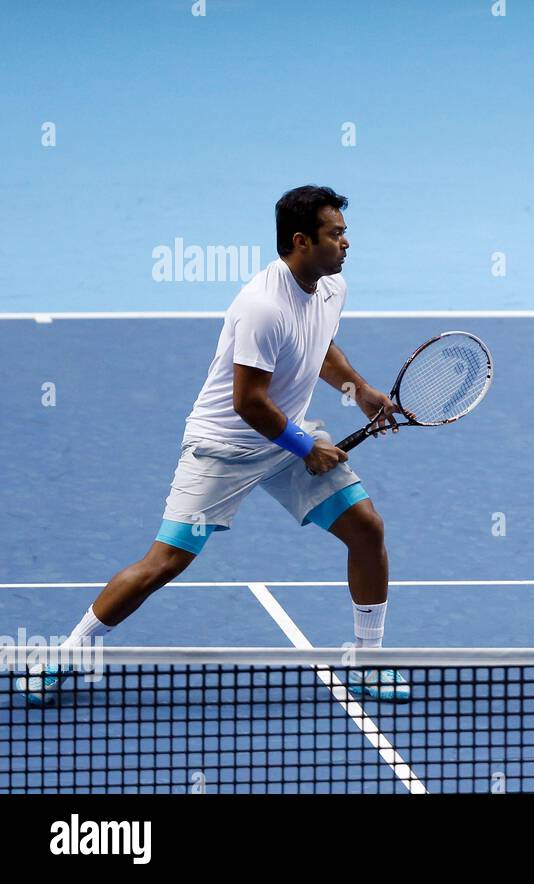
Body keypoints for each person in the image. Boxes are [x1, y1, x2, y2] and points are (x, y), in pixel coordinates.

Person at [19, 185, 411, 704]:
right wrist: (307, 448)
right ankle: (65, 653)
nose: (346, 244)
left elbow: (318, 344)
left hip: (285, 434)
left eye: (345, 233)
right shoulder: (262, 306)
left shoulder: (331, 288)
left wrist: (357, 390)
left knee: (366, 529)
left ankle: (367, 662)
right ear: (301, 241)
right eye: (336, 234)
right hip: (223, 448)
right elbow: (249, 402)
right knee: (164, 563)